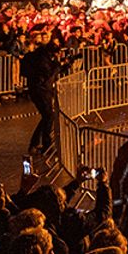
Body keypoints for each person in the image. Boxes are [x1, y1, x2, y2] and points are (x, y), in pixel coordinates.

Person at [19, 30, 73, 163]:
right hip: (39, 89)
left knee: (47, 116)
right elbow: (48, 72)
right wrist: (58, 65)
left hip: (43, 89)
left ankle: (36, 142)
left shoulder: (45, 57)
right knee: (48, 115)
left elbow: (54, 71)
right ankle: (45, 143)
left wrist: (65, 65)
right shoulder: (42, 58)